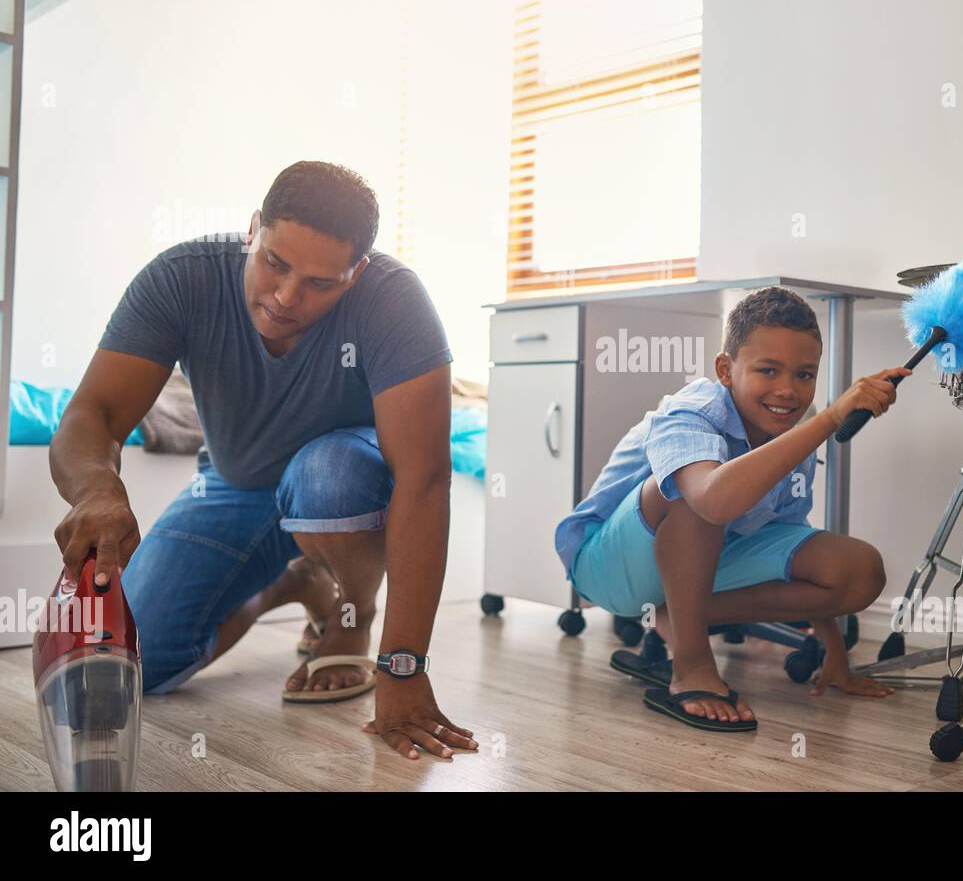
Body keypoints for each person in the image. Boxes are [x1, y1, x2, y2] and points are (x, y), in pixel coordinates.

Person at [50, 161, 475, 761]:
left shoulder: (395, 301)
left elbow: (425, 481)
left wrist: (403, 668)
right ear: (253, 229)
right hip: (233, 482)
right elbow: (90, 415)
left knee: (325, 476)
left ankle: (352, 611)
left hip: (340, 485)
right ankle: (291, 583)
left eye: (320, 283)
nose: (285, 297)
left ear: (355, 275)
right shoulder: (182, 278)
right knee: (136, 664)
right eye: (275, 263)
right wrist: (96, 487)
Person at [554, 286, 905, 731]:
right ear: (725, 369)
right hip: (612, 570)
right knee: (693, 494)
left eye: (804, 374)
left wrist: (832, 647)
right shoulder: (692, 413)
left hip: (708, 562)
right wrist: (829, 420)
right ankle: (692, 666)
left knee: (858, 568)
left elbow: (786, 536)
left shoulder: (794, 427)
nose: (788, 390)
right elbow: (712, 499)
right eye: (768, 370)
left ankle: (676, 620)